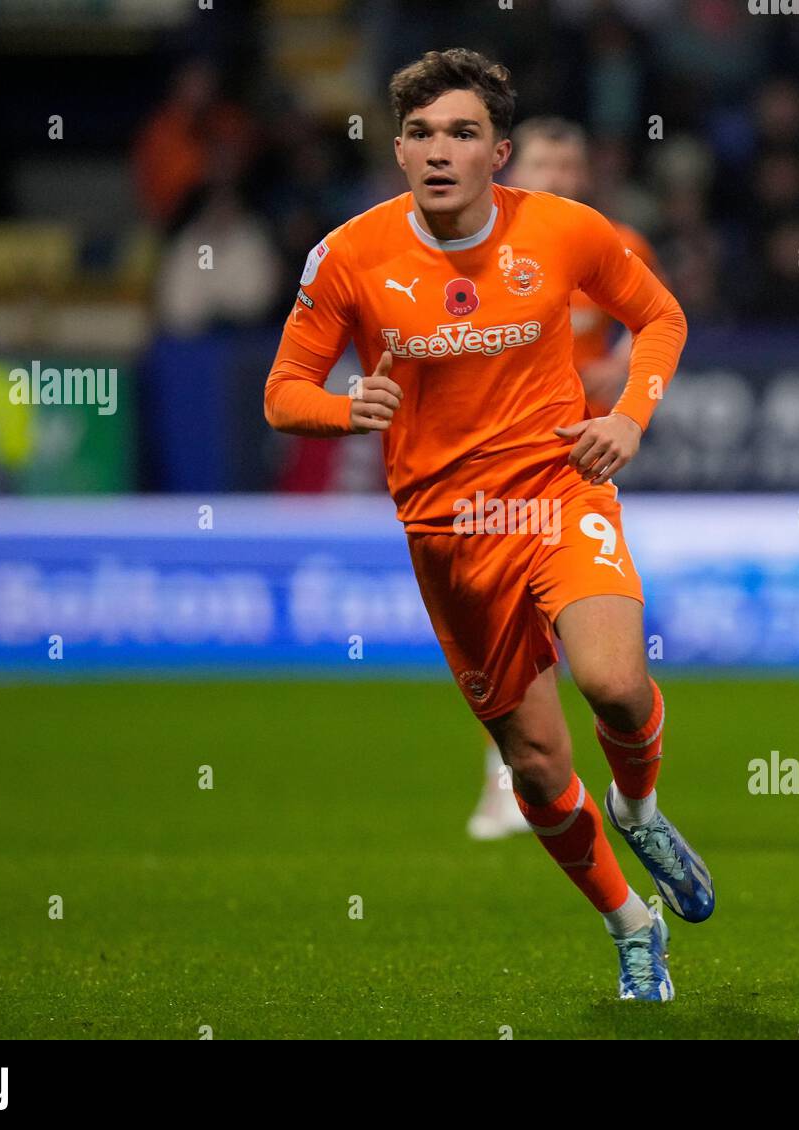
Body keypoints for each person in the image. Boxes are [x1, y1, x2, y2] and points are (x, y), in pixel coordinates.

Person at [264, 48, 712, 1001]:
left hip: (558, 492)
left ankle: (640, 809)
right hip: (449, 535)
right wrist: (349, 410)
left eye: (461, 133)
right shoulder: (349, 256)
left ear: (497, 152)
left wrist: (629, 417)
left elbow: (662, 317)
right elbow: (282, 392)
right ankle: (631, 925)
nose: (439, 151)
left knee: (616, 683)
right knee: (537, 763)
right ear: (397, 149)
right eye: (421, 134)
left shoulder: (563, 231)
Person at [467, 114, 663, 840]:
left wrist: (622, 383)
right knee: (509, 635)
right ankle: (508, 778)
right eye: (548, 166)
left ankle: (622, 786)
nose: (562, 180)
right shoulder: (481, 248)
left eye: (572, 167)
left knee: (594, 645)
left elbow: (653, 324)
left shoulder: (612, 243)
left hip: (577, 466)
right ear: (513, 171)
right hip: (493, 474)